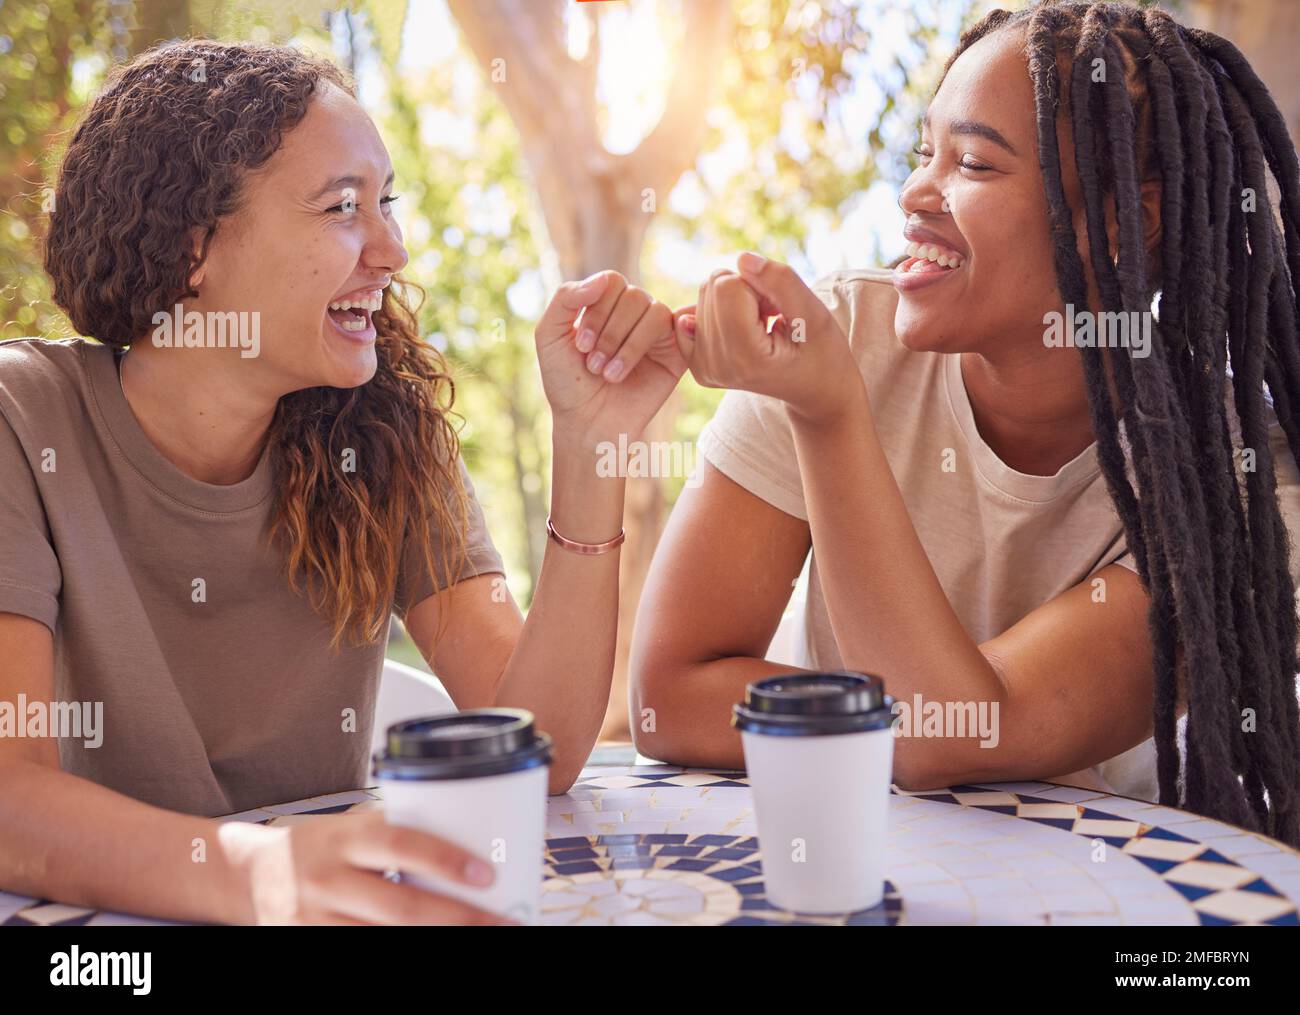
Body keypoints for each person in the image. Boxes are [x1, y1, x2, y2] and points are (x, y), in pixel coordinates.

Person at [0, 41, 687, 923]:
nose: (392, 249)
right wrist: (260, 871)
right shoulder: (24, 421)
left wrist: (592, 443)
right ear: (191, 248)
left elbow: (537, 749)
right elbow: (9, 802)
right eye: (342, 209)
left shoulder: (381, 433)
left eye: (387, 204)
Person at [634, 0, 1300, 848]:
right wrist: (921, 730)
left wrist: (830, 413)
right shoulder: (840, 341)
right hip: (844, 854)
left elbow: (948, 734)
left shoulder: (1235, 487)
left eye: (975, 164)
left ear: (1130, 222)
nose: (914, 193)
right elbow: (668, 695)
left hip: (1091, 884)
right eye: (924, 154)